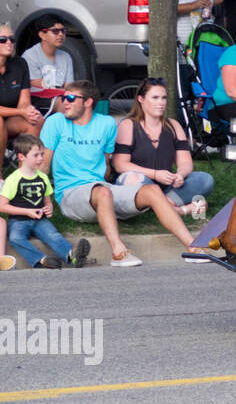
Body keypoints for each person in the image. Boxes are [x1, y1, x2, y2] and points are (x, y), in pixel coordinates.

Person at [40, 80, 188, 267]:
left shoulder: (107, 123)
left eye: (70, 98)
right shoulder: (55, 122)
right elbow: (44, 164)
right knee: (102, 192)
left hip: (102, 189)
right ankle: (119, 253)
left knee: (151, 190)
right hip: (71, 193)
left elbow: (106, 163)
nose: (64, 102)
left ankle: (194, 247)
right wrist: (41, 198)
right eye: (63, 98)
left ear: (88, 102)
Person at [111, 78, 214, 217]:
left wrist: (180, 175)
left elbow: (185, 162)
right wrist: (154, 174)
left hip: (167, 185)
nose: (161, 103)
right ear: (141, 99)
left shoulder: (173, 125)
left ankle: (161, 204)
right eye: (155, 98)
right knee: (131, 178)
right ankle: (179, 209)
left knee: (205, 179)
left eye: (163, 98)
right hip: (140, 183)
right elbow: (120, 165)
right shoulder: (128, 125)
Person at [1, 134, 91, 268]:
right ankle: (42, 261)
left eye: (42, 154)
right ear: (22, 157)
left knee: (53, 235)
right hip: (18, 220)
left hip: (40, 219)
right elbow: (2, 206)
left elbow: (47, 200)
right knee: (16, 239)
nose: (41, 158)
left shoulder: (43, 177)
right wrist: (26, 211)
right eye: (36, 155)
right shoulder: (13, 179)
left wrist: (49, 207)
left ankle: (72, 256)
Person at [23, 14, 75, 113]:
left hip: (60, 95)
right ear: (42, 35)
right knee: (65, 102)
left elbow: (69, 85)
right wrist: (66, 92)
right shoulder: (30, 55)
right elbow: (39, 86)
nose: (61, 34)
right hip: (38, 98)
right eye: (55, 31)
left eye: (63, 31)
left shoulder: (66, 57)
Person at [0, 23, 42, 145]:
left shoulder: (20, 63)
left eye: (12, 39)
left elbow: (24, 101)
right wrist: (21, 112)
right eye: (2, 40)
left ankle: (27, 164)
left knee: (36, 121)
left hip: (10, 117)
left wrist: (28, 111)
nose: (9, 43)